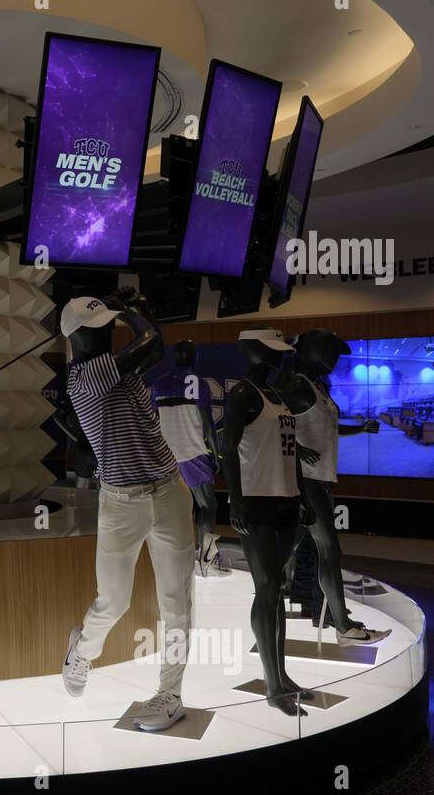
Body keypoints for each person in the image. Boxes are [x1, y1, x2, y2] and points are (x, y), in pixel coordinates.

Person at [57, 290, 194, 732]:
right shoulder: (85, 376)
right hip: (121, 502)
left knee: (177, 602)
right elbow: (152, 342)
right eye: (97, 331)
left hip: (169, 489)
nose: (105, 337)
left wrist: (129, 313)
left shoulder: (117, 366)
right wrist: (134, 311)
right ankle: (82, 653)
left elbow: (151, 347)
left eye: (108, 329)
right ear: (75, 338)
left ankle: (170, 693)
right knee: (112, 601)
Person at [224, 327, 316, 716]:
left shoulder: (278, 396)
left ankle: (282, 675)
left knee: (277, 587)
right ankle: (272, 682)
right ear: (253, 351)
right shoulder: (243, 393)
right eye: (272, 350)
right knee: (267, 586)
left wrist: (302, 494)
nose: (280, 357)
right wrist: (235, 500)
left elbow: (290, 450)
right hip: (257, 502)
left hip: (285, 501)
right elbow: (227, 446)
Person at [278, 330, 389, 643]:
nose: (334, 359)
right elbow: (269, 424)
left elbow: (330, 427)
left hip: (321, 479)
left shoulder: (315, 387)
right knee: (329, 550)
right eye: (329, 351)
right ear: (313, 351)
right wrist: (296, 450)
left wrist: (361, 429)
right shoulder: (295, 384)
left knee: (291, 551)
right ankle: (343, 626)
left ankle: (333, 617)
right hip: (306, 480)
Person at [152, 340, 226, 576]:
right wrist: (217, 453)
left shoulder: (159, 383)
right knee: (208, 505)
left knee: (170, 509)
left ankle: (171, 560)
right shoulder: (197, 383)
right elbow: (207, 424)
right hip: (192, 453)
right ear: (194, 356)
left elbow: (153, 421)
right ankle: (207, 560)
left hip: (165, 457)